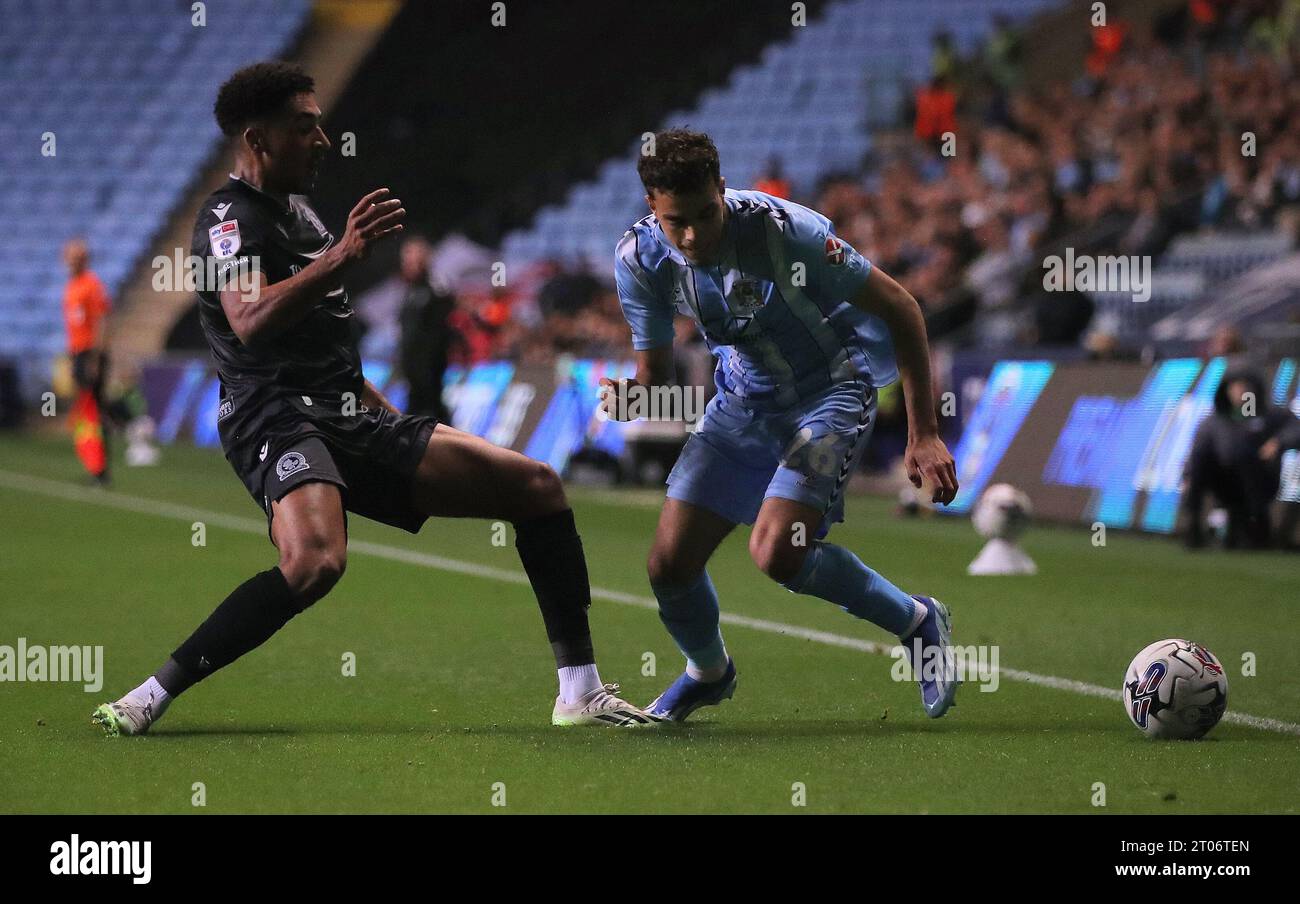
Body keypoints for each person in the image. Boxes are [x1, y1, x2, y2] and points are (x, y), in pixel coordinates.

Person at [93, 62, 658, 737]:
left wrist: (392, 422)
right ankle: (151, 694)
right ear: (258, 139)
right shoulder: (227, 220)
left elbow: (329, 347)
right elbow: (246, 317)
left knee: (536, 486)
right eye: (304, 129)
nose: (324, 140)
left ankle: (581, 691)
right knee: (316, 562)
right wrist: (342, 257)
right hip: (274, 415)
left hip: (349, 411)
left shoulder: (299, 212)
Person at [601, 129, 960, 721]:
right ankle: (708, 672)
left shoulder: (784, 232)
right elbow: (657, 378)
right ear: (651, 208)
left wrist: (924, 433)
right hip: (743, 399)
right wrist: (633, 398)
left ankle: (917, 621)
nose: (692, 236)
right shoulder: (640, 259)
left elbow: (902, 307)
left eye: (704, 215)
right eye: (675, 222)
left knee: (777, 551)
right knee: (668, 566)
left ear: (723, 188)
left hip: (831, 392)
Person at [1182, 368, 1300, 549]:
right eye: (1235, 387)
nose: (1240, 392)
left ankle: (1255, 523)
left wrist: (1278, 442)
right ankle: (1194, 526)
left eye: (1245, 387)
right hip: (1224, 483)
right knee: (1201, 459)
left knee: (1242, 454)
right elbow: (1197, 451)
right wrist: (1188, 475)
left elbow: (1295, 429)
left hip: (1260, 479)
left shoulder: (1270, 414)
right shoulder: (1214, 421)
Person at [62, 238, 112, 484]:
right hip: (78, 354)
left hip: (91, 354)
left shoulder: (92, 285)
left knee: (93, 411)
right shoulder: (72, 287)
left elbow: (101, 321)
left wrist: (94, 358)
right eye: (70, 257)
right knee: (86, 412)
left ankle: (100, 469)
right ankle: (94, 465)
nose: (72, 261)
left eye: (77, 257)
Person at [395, 236, 457, 422]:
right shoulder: (410, 293)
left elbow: (442, 329)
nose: (408, 264)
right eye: (406, 260)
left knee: (432, 411)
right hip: (412, 370)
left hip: (429, 369)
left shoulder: (435, 289)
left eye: (413, 259)